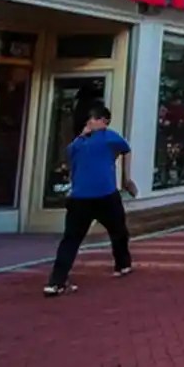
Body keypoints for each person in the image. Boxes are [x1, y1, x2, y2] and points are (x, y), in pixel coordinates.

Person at [44, 104, 137, 296]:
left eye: (100, 121)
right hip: (91, 196)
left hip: (95, 196)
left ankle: (122, 264)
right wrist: (126, 179)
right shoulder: (83, 142)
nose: (97, 123)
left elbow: (125, 149)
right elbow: (125, 149)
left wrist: (125, 177)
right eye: (97, 120)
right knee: (77, 238)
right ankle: (57, 281)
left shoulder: (102, 137)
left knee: (116, 230)